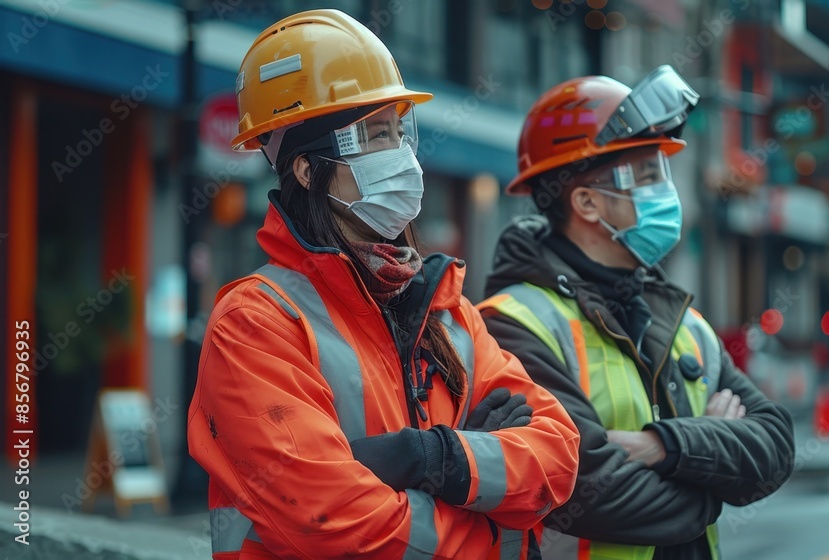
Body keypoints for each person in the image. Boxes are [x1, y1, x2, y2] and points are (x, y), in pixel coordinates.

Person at [187, 10, 579, 560]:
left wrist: (430, 458)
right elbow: (332, 520)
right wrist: (489, 519)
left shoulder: (445, 311)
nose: (402, 155)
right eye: (375, 134)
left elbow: (558, 456)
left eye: (401, 131)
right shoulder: (256, 324)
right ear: (305, 168)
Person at [478, 67, 795, 560]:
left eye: (660, 173)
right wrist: (712, 482)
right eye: (645, 175)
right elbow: (586, 490)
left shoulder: (680, 320)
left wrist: (664, 446)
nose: (665, 192)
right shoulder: (514, 324)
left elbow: (774, 446)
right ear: (585, 201)